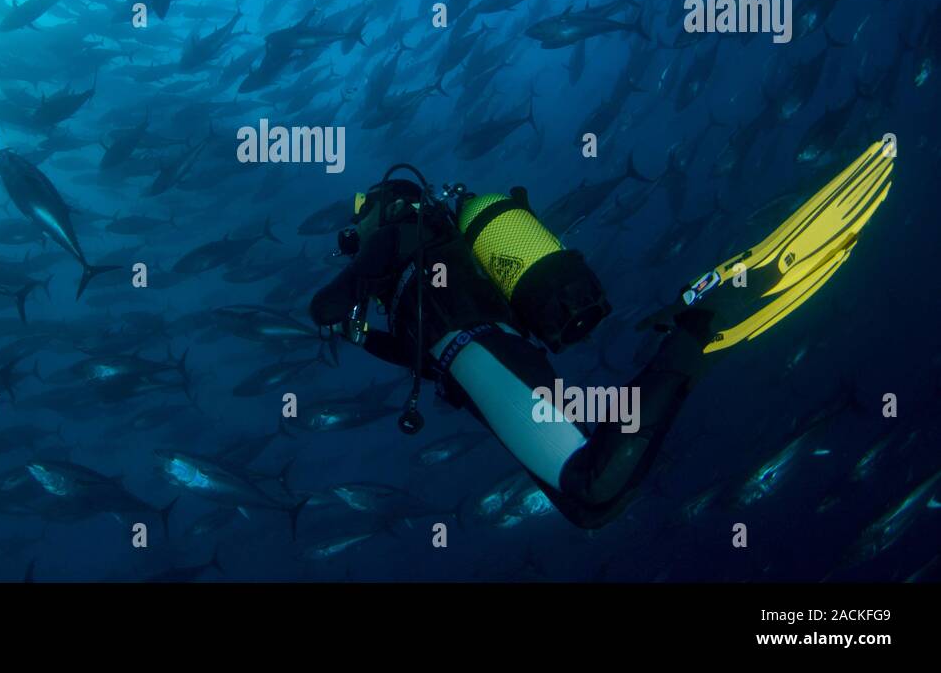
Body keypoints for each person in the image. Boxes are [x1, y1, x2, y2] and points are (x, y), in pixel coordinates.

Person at [309, 143, 894, 528]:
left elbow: (322, 304)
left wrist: (350, 288)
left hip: (483, 357)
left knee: (590, 484)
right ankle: (694, 345)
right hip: (482, 364)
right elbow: (418, 358)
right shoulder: (416, 274)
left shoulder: (400, 237)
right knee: (589, 508)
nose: (354, 234)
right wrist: (363, 336)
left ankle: (699, 322)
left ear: (386, 211)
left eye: (358, 221)